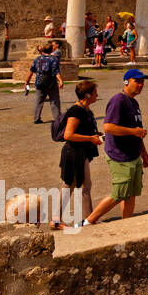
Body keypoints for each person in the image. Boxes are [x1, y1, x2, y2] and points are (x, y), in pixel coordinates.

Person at [85, 69, 148, 224]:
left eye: (142, 82)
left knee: (131, 193)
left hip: (133, 154)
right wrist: (133, 131)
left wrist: (144, 152)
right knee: (119, 193)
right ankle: (89, 221)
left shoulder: (134, 102)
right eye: (137, 81)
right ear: (126, 82)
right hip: (120, 155)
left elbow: (137, 131)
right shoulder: (118, 101)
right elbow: (108, 127)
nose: (141, 85)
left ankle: (125, 224)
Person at [58, 79, 103, 227]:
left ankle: (88, 218)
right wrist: (90, 138)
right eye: (95, 93)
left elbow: (82, 130)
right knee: (73, 185)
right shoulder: (76, 111)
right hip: (73, 153)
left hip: (81, 153)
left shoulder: (86, 110)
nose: (97, 95)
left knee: (81, 186)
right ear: (88, 95)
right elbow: (68, 135)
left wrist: (96, 134)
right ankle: (86, 219)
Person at [25, 43, 63, 124]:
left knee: (38, 101)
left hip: (39, 82)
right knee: (54, 100)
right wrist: (60, 81)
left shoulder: (37, 59)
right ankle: (57, 119)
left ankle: (36, 118)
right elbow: (56, 72)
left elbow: (31, 71)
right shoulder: (53, 59)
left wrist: (27, 82)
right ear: (51, 50)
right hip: (51, 83)